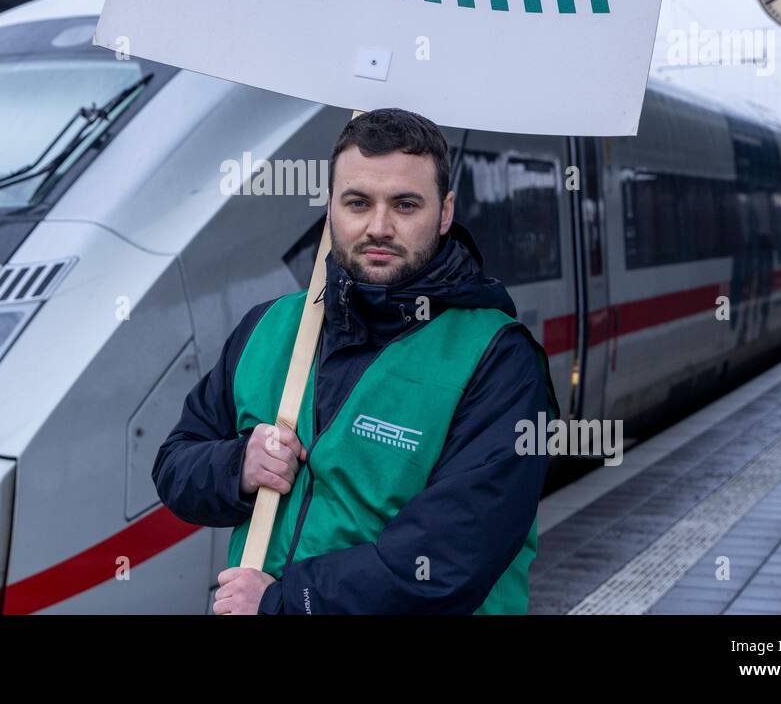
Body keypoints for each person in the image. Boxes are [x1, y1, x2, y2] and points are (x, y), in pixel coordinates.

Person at [152, 107, 559, 614]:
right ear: (330, 210)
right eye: (358, 202)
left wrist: (286, 601)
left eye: (406, 205)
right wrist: (237, 466)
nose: (379, 226)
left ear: (446, 211)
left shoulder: (498, 360)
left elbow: (452, 558)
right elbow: (174, 465)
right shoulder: (270, 329)